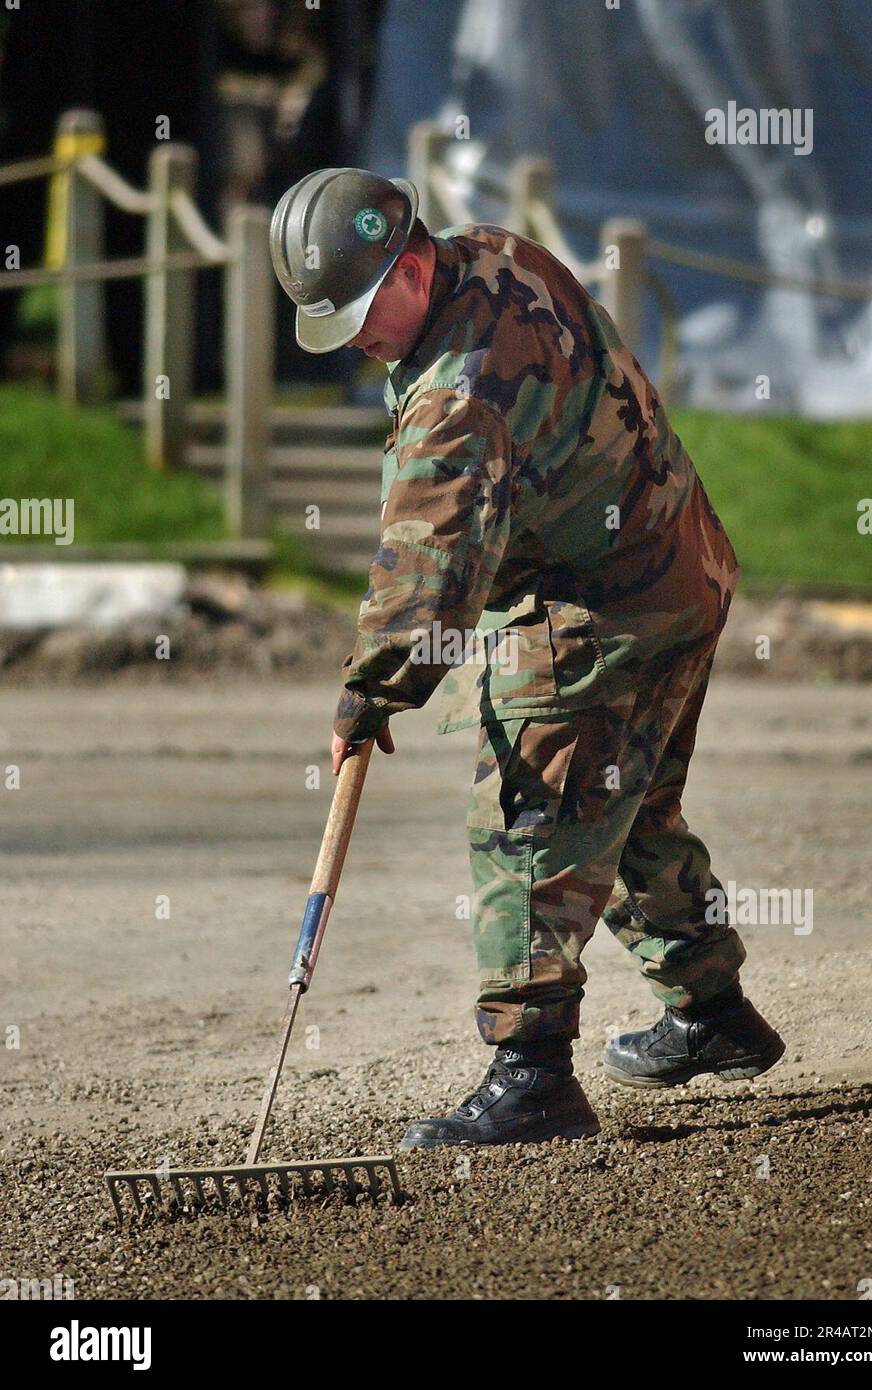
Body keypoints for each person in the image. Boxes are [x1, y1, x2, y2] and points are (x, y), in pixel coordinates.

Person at [269, 167, 785, 1150]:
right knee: (624, 805)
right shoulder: (495, 253)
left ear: (411, 260)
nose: (361, 340)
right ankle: (711, 1011)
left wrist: (369, 696)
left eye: (366, 312)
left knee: (527, 813)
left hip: (602, 604)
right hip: (684, 557)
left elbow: (427, 582)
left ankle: (531, 1076)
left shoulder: (456, 398)